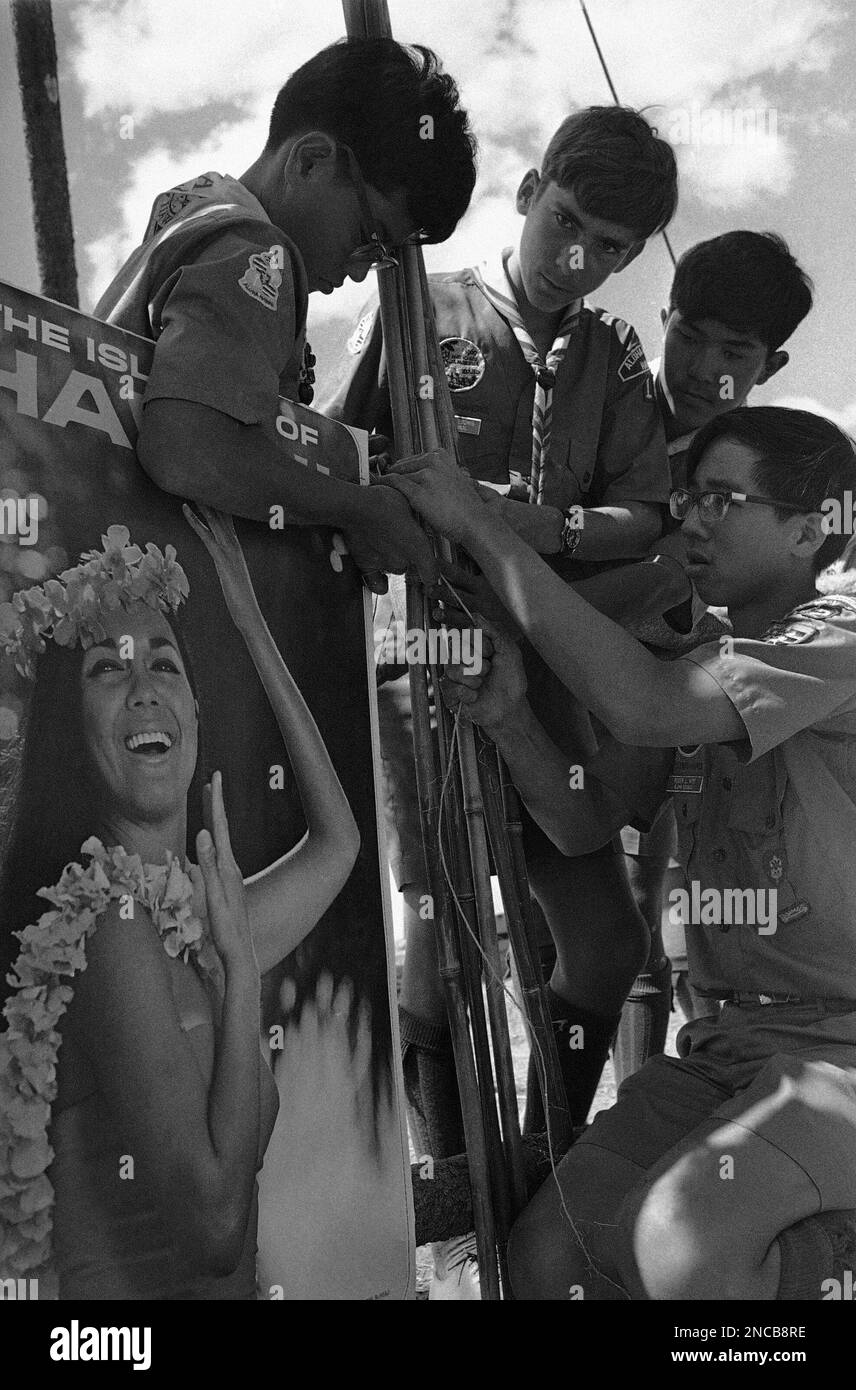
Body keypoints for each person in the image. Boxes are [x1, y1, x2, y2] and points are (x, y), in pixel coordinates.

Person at [318, 107, 678, 1292]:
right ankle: (465, 1200)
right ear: (528, 190)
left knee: (607, 936)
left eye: (610, 246)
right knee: (440, 942)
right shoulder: (425, 308)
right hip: (427, 654)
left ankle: (550, 1164)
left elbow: (649, 517)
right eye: (568, 223)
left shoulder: (617, 360)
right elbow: (337, 456)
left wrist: (548, 528)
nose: (579, 258)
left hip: (560, 675)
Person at [382, 404, 856, 1300]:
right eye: (692, 497)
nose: (693, 520)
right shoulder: (702, 658)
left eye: (725, 499)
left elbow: (646, 705)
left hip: (839, 1049)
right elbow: (582, 821)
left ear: (806, 529)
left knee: (684, 1251)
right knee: (549, 1264)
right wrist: (514, 716)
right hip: (724, 1046)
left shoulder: (835, 643)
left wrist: (481, 526)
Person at [0, 509, 359, 1299]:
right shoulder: (109, 926)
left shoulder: (199, 918)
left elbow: (339, 844)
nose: (142, 691)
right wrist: (240, 975)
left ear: (196, 710)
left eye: (164, 664)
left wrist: (248, 623)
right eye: (106, 669)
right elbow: (215, 1232)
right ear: (70, 722)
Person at [93, 37, 478, 593]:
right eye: (369, 239)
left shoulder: (198, 213)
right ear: (310, 160)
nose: (361, 272)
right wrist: (359, 510)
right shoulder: (254, 251)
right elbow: (186, 445)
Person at [614, 232, 814, 1082]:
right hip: (589, 695)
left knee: (667, 909)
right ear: (662, 316)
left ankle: (661, 1105)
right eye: (689, 335)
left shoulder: (765, 461)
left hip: (697, 716)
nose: (704, 367)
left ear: (772, 365)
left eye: (736, 352)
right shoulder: (607, 426)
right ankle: (484, 1160)